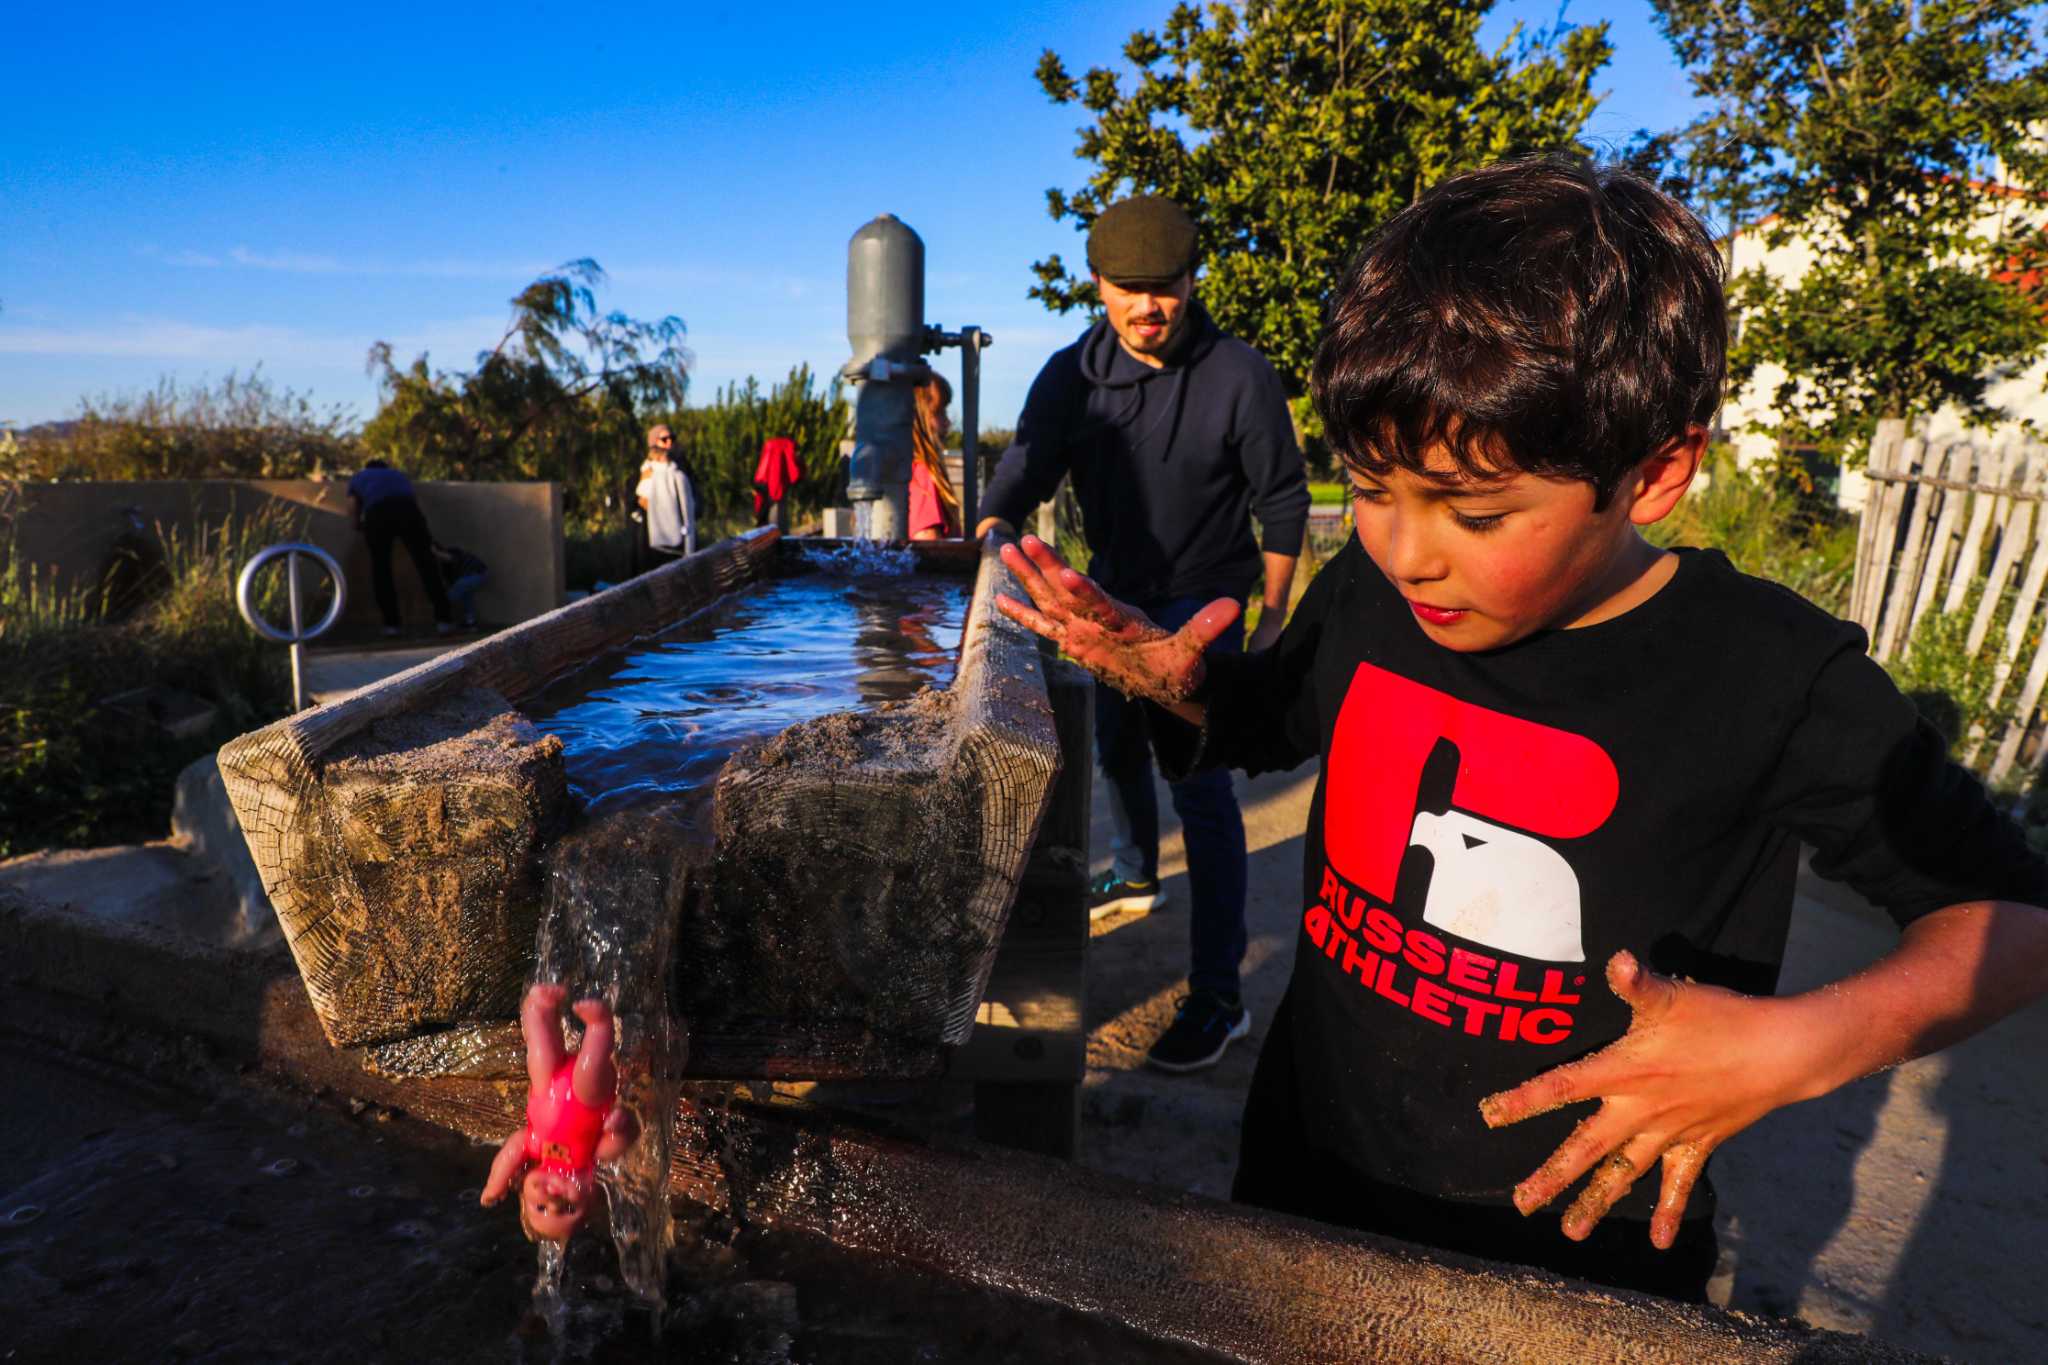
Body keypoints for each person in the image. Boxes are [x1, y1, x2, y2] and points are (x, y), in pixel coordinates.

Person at [990, 155, 2048, 1302]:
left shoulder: (1765, 673)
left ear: (1653, 472)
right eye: (1371, 489)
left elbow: (2010, 915)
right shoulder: (1370, 591)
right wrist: (1176, 680)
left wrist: (1794, 1046)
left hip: (1569, 1256)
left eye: (1476, 512)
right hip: (1307, 1176)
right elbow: (1267, 717)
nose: (1406, 553)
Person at [975, 194, 1310, 1073]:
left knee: (1202, 793)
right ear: (1098, 284)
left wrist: (1274, 619)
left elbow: (1282, 501)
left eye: (1165, 286)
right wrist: (992, 537)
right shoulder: (1070, 379)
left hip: (1205, 613)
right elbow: (1016, 483)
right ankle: (1134, 871)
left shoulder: (1238, 374)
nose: (1149, 305)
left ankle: (1220, 995)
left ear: (1192, 281)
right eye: (1129, 287)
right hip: (1110, 601)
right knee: (1115, 748)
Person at [481, 983, 637, 1245]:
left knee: (540, 1055)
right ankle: (600, 1026)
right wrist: (620, 1127)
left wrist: (495, 1185)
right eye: (569, 1208)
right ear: (591, 1195)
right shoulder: (590, 1158)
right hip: (589, 1098)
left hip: (547, 1086)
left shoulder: (535, 1147)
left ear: (523, 1193)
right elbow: (623, 1139)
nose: (553, 1200)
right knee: (589, 1073)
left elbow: (510, 1153)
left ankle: (539, 1008)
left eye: (539, 1207)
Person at [346, 459, 453, 638]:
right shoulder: (398, 475)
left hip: (377, 513)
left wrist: (356, 524)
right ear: (385, 467)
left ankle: (392, 625)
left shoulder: (360, 476)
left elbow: (353, 504)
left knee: (381, 569)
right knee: (427, 565)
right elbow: (412, 499)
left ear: (367, 467)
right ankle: (445, 621)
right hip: (409, 511)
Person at [909, 374, 962, 541]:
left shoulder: (902, 472)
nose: (948, 422)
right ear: (918, 418)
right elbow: (927, 542)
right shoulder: (921, 476)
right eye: (939, 412)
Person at [637, 425, 698, 559]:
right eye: (664, 439)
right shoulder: (647, 471)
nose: (669, 442)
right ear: (654, 442)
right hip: (657, 543)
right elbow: (642, 503)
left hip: (683, 537)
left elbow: (691, 501)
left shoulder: (681, 466)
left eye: (672, 438)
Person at [431, 540, 488, 630]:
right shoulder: (448, 562)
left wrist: (435, 552)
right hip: (477, 575)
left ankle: (446, 623)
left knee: (447, 598)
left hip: (475, 575)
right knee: (466, 598)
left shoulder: (453, 552)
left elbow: (450, 558)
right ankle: (471, 622)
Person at [752, 436, 802, 529]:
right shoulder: (787, 447)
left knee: (770, 510)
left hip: (764, 483)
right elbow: (794, 470)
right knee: (776, 509)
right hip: (772, 487)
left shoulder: (771, 446)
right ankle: (774, 531)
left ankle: (769, 530)